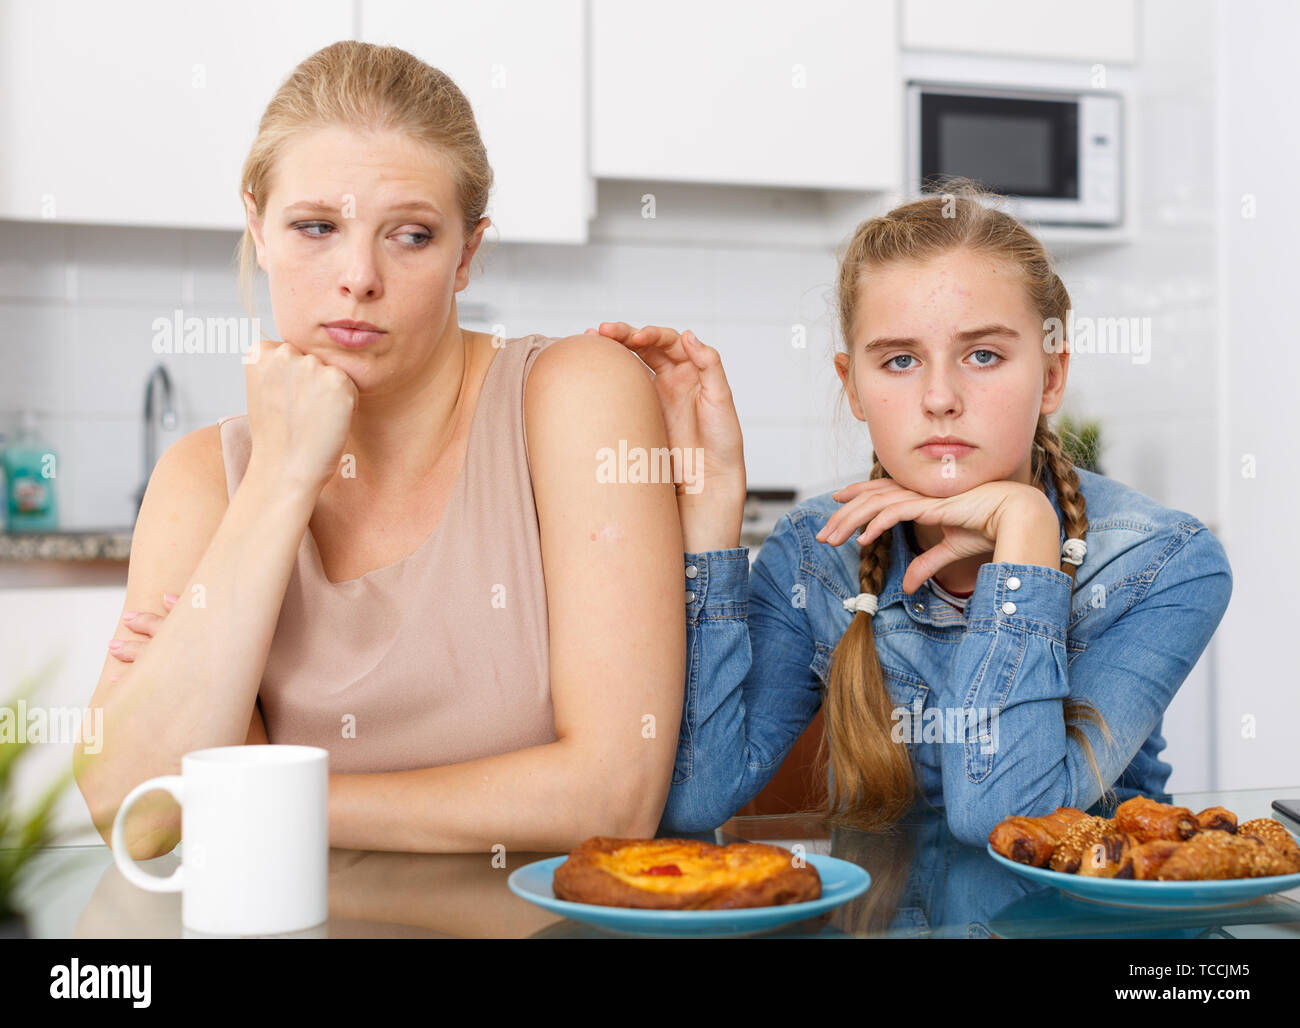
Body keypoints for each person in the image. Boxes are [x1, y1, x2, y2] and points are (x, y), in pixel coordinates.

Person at [74, 41, 686, 857]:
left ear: (467, 253)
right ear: (258, 226)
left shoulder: (577, 394)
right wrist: (282, 480)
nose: (358, 276)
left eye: (411, 236)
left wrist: (241, 794)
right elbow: (140, 816)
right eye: (316, 226)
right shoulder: (202, 478)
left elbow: (614, 797)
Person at [594, 186, 1233, 846]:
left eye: (983, 355)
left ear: (1051, 377)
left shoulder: (1166, 561)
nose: (939, 398)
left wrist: (1025, 531)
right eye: (900, 360)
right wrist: (710, 516)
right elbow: (693, 803)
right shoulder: (816, 555)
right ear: (853, 387)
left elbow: (1008, 821)